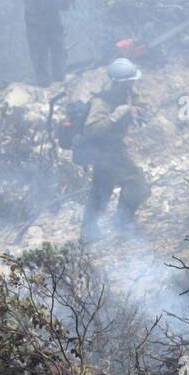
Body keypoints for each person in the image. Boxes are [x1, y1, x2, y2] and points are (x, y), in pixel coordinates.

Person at [74, 58, 150, 241]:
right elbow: (91, 129)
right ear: (120, 82)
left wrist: (136, 112)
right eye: (130, 80)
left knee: (101, 188)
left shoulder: (128, 91)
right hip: (103, 149)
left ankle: (88, 233)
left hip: (112, 146)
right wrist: (115, 117)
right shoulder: (102, 101)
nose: (134, 83)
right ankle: (122, 223)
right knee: (136, 182)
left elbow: (140, 105)